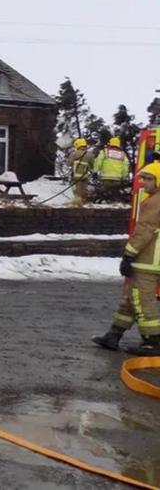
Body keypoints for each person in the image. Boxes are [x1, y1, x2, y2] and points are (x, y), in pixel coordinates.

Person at [92, 162, 160, 356]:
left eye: (148, 178)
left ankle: (153, 341)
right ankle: (113, 335)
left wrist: (129, 254)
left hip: (147, 260)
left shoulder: (155, 201)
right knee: (131, 299)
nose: (143, 182)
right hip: (153, 259)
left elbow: (144, 230)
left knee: (142, 300)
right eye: (142, 178)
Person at [93, 137, 130, 203]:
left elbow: (98, 162)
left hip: (105, 179)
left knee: (102, 195)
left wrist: (95, 172)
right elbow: (125, 167)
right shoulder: (123, 154)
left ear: (110, 144)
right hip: (117, 180)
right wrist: (123, 177)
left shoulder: (105, 151)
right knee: (114, 195)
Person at [67, 138, 96, 205]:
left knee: (77, 192)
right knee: (83, 190)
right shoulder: (90, 155)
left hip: (75, 176)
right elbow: (92, 166)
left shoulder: (74, 154)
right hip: (84, 176)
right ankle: (83, 202)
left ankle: (78, 203)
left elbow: (68, 163)